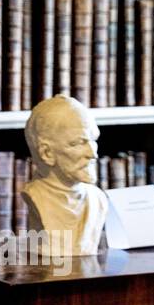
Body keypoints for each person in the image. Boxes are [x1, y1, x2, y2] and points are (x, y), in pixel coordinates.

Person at [22, 94, 109, 255]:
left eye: (93, 140)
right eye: (79, 143)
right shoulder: (36, 197)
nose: (93, 154)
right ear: (47, 153)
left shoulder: (98, 200)